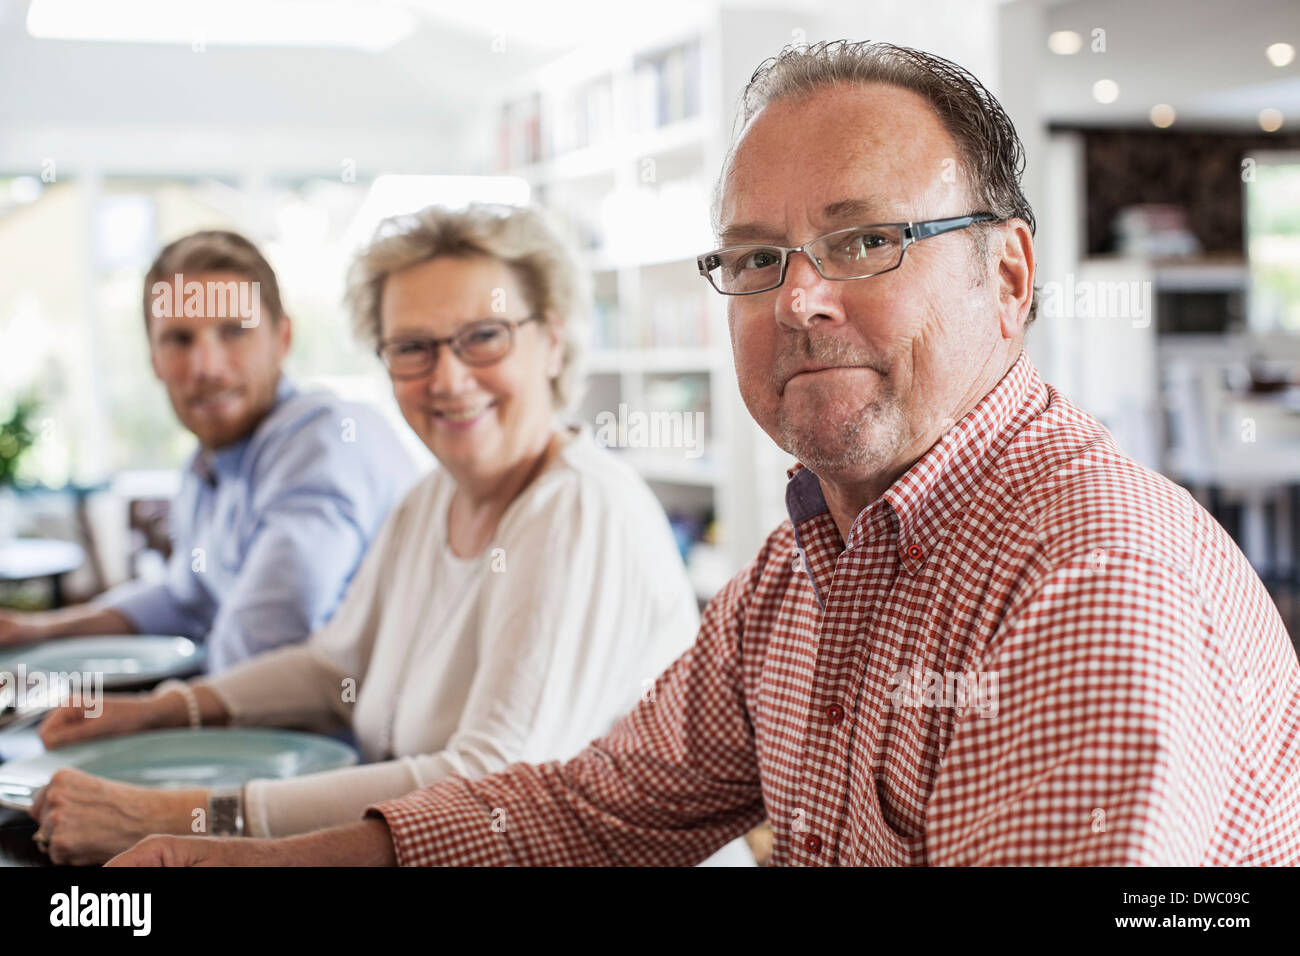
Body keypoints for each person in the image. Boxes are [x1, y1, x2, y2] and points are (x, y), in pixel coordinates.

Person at [110, 40, 1300, 869]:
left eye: (866, 239)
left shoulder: (1090, 581)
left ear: (1008, 278)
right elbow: (588, 812)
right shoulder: (800, 574)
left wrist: (221, 816)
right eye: (753, 258)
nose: (800, 301)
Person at [32, 203, 751, 867]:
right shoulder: (431, 499)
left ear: (554, 340)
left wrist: (184, 817)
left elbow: (488, 784)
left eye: (484, 337)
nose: (448, 377)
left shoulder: (580, 509)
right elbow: (329, 667)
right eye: (412, 347)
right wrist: (161, 709)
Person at [0, 230, 415, 673]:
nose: (206, 368)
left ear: (283, 339)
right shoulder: (206, 468)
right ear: (154, 360)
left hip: (352, 739)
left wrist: (156, 711)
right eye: (179, 339)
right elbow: (184, 599)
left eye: (234, 331)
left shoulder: (324, 440)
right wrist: (35, 631)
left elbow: (270, 631)